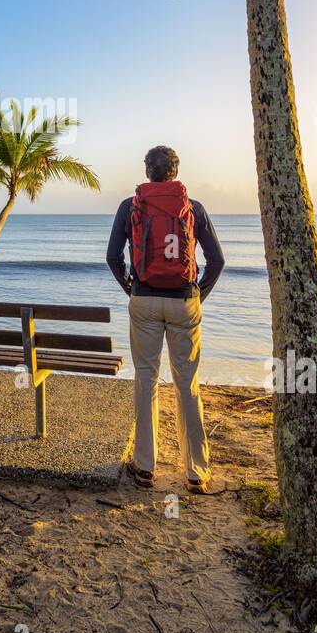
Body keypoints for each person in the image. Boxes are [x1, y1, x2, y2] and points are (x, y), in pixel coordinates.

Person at [106, 145, 224, 490]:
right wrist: (198, 293)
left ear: (147, 171)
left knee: (146, 379)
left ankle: (145, 467)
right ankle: (196, 472)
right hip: (184, 302)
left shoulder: (131, 207)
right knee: (187, 384)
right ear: (175, 170)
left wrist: (132, 288)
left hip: (144, 299)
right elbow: (217, 261)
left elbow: (113, 257)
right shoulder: (193, 208)